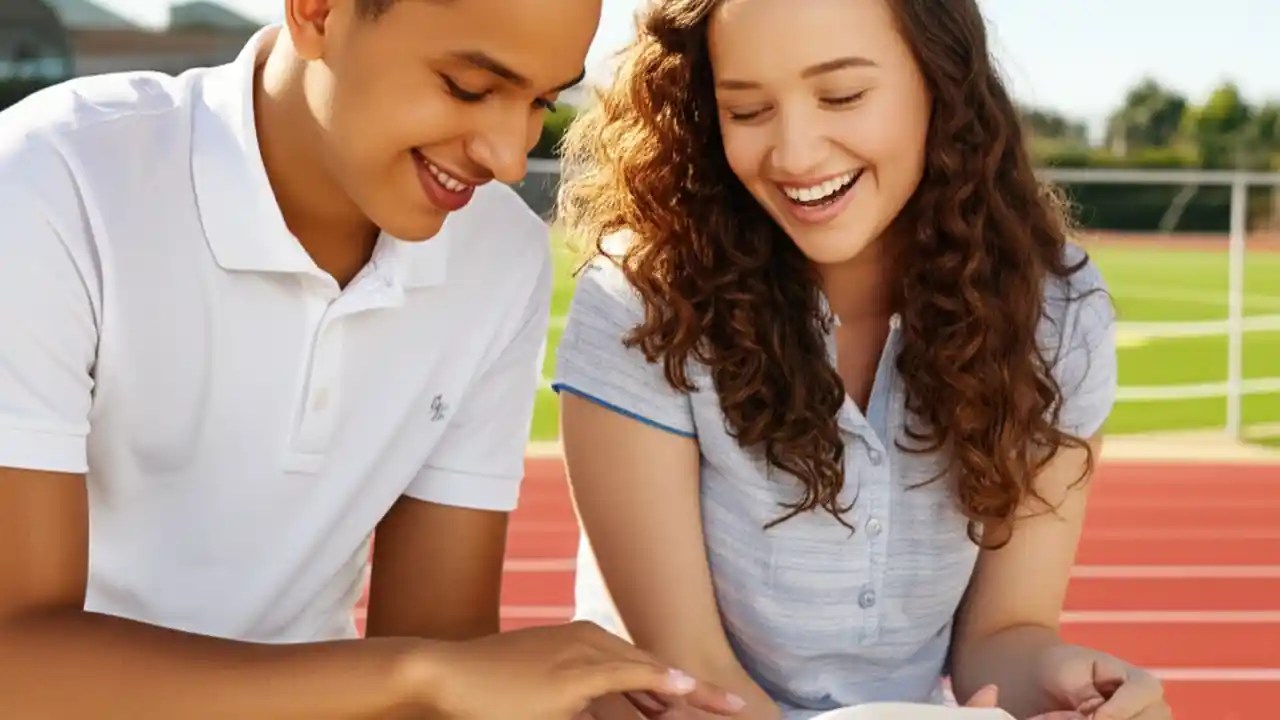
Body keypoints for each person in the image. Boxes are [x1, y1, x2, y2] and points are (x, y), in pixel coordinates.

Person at [0, 0, 746, 717]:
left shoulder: (496, 255)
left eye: (541, 101)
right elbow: (16, 667)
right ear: (318, 11)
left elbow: (444, 654)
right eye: (469, 87)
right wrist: (418, 677)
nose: (510, 157)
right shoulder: (51, 184)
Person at [551, 0, 1172, 719]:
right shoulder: (643, 300)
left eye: (842, 96)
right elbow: (691, 670)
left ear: (941, 81)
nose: (795, 154)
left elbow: (1001, 639)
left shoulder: (1057, 315)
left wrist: (1074, 682)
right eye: (747, 111)